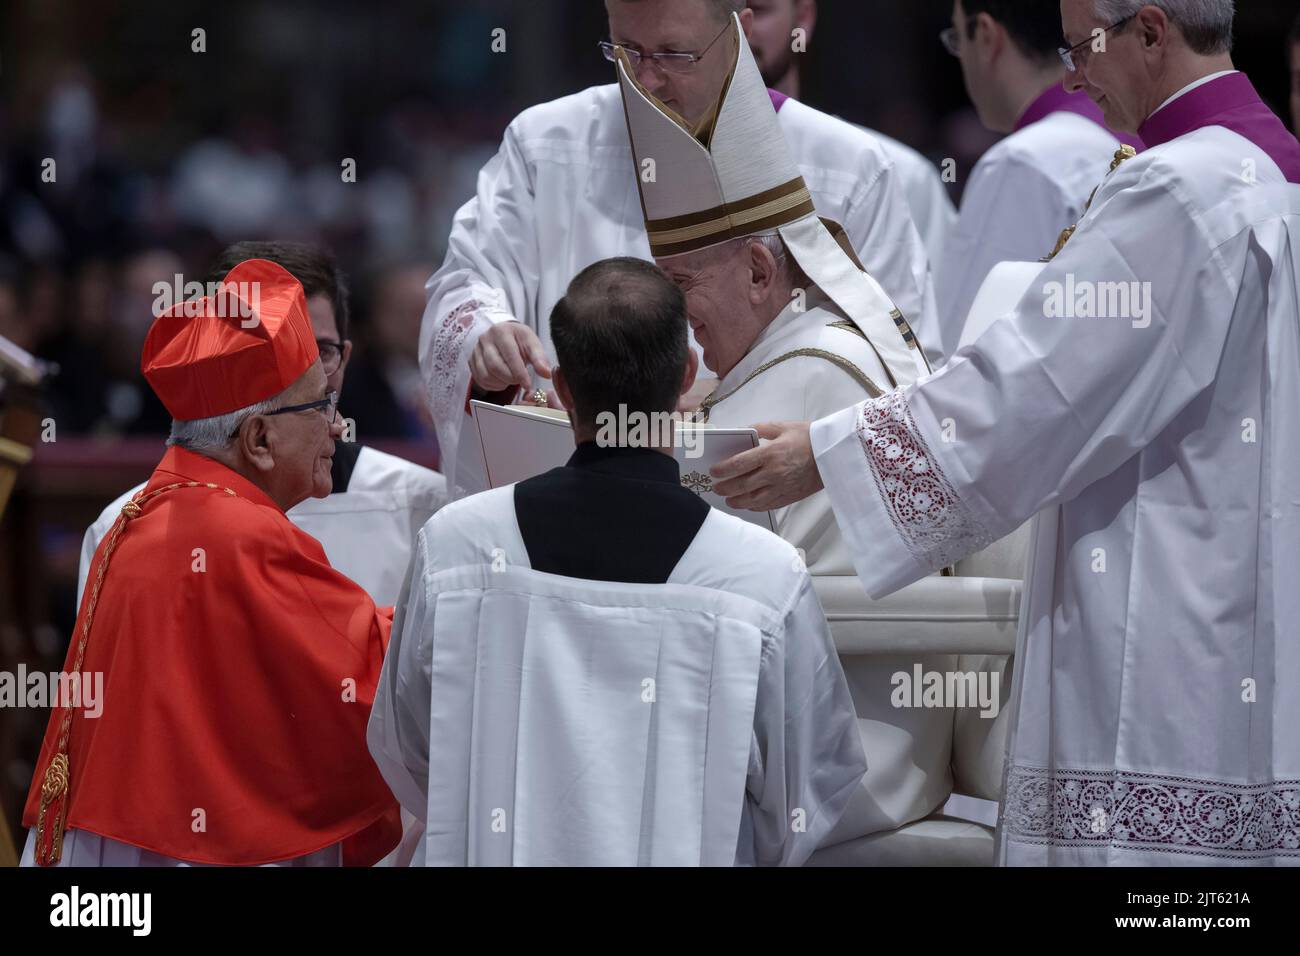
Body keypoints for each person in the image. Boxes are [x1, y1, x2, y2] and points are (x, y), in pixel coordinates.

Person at [711, 0, 1300, 866]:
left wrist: (828, 458)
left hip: (1163, 605)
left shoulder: (1174, 190)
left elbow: (1029, 388)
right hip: (1242, 582)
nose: (1069, 74)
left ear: (1149, 32)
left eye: (1081, 48)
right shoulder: (1270, 172)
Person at [370, 257, 865, 866]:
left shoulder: (457, 546)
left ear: (564, 388)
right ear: (686, 375)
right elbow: (807, 790)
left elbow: (406, 745)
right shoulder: (760, 576)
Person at [618, 20, 952, 843]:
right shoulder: (796, 351)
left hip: (848, 742)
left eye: (682, 283)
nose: (673, 314)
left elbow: (676, 550)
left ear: (763, 271)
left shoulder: (812, 372)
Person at [421, 0, 936, 495]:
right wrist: (485, 336)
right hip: (563, 490)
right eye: (626, 50)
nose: (645, 79)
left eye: (674, 54)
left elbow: (897, 368)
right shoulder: (545, 145)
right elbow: (464, 282)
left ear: (739, 31)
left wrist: (726, 406)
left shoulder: (846, 169)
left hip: (758, 510)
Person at [22, 259, 400, 867]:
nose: (337, 426)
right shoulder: (241, 532)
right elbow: (373, 677)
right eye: (318, 407)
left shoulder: (142, 514)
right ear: (257, 439)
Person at [77, 242, 447, 608]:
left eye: (321, 352)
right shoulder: (120, 528)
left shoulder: (425, 509)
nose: (306, 373)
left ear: (346, 357)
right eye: (271, 351)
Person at [935, 0, 1136, 359]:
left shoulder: (1022, 163)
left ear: (984, 35)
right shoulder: (1135, 130)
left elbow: (960, 353)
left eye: (955, 40)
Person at [746, 0, 958, 271]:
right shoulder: (676, 167)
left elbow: (936, 311)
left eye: (758, 10)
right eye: (723, 13)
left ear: (803, 17)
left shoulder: (901, 176)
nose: (741, 26)